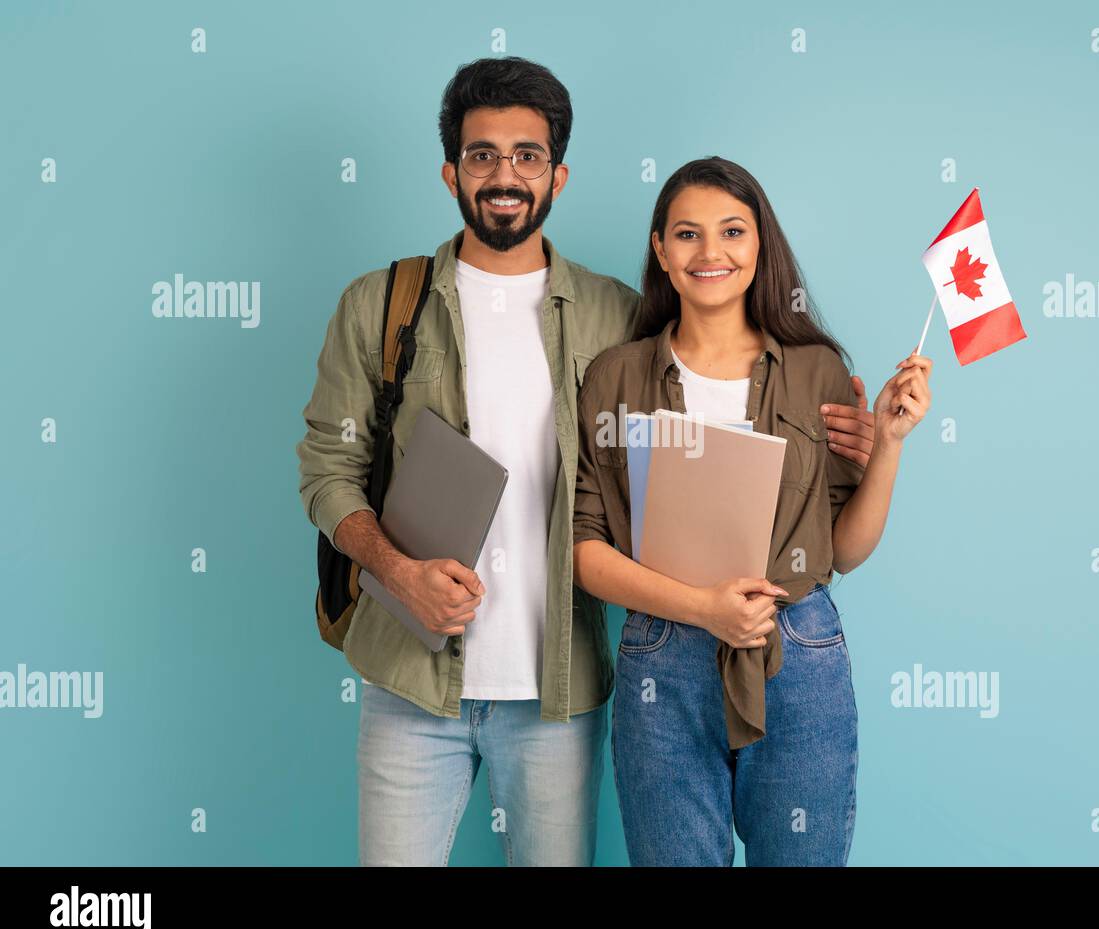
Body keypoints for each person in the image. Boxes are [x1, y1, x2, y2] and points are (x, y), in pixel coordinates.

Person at [295, 57, 643, 866]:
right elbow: (326, 469)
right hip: (407, 683)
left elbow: (675, 441)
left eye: (527, 155)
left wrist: (839, 434)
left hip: (559, 694)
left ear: (559, 174)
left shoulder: (616, 311)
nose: (504, 175)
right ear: (452, 171)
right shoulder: (379, 304)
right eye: (482, 154)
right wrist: (396, 568)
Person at [572, 156, 933, 866]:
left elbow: (844, 551)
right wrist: (703, 607)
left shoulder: (816, 368)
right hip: (662, 658)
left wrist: (887, 444)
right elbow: (585, 551)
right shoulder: (615, 374)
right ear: (660, 252)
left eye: (732, 231)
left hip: (797, 651)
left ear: (760, 243)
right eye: (687, 235)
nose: (711, 253)